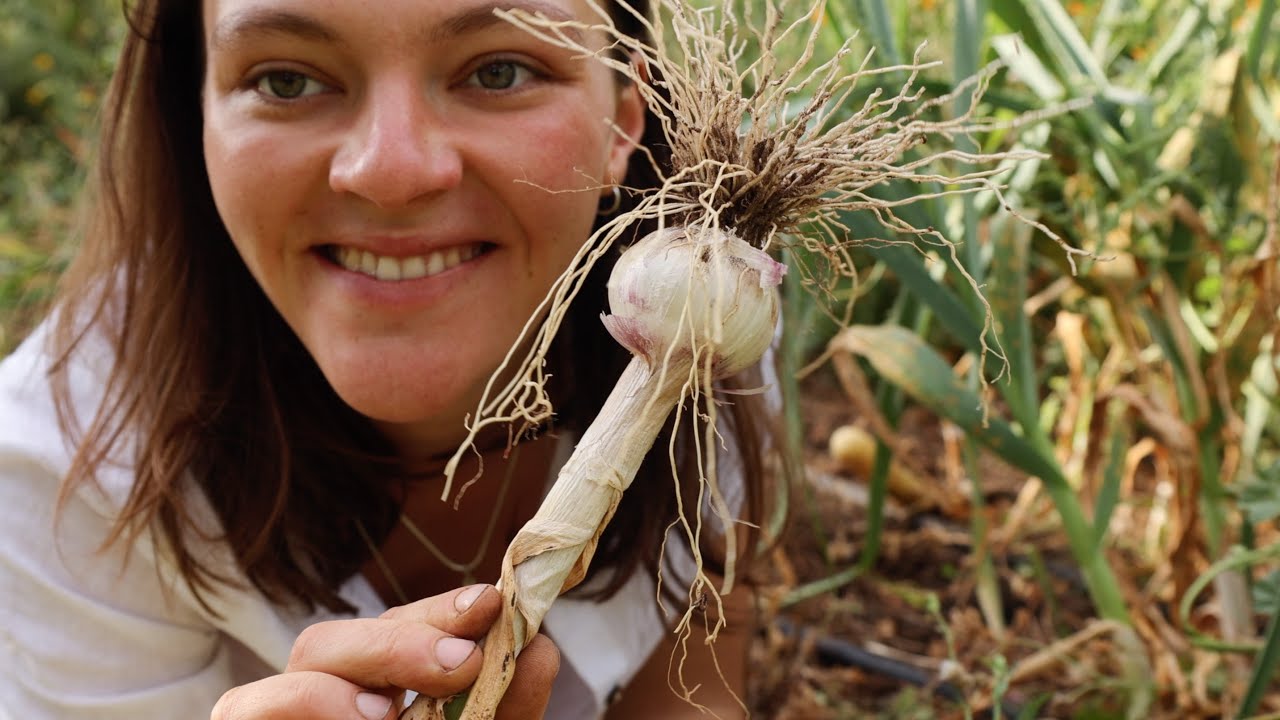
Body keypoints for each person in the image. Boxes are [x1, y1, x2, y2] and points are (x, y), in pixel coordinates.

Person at [0, 0, 780, 718]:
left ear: (621, 121)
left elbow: (691, 689)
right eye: (286, 79)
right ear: (194, 118)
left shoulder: (704, 335)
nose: (391, 172)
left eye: (499, 71)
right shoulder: (54, 471)